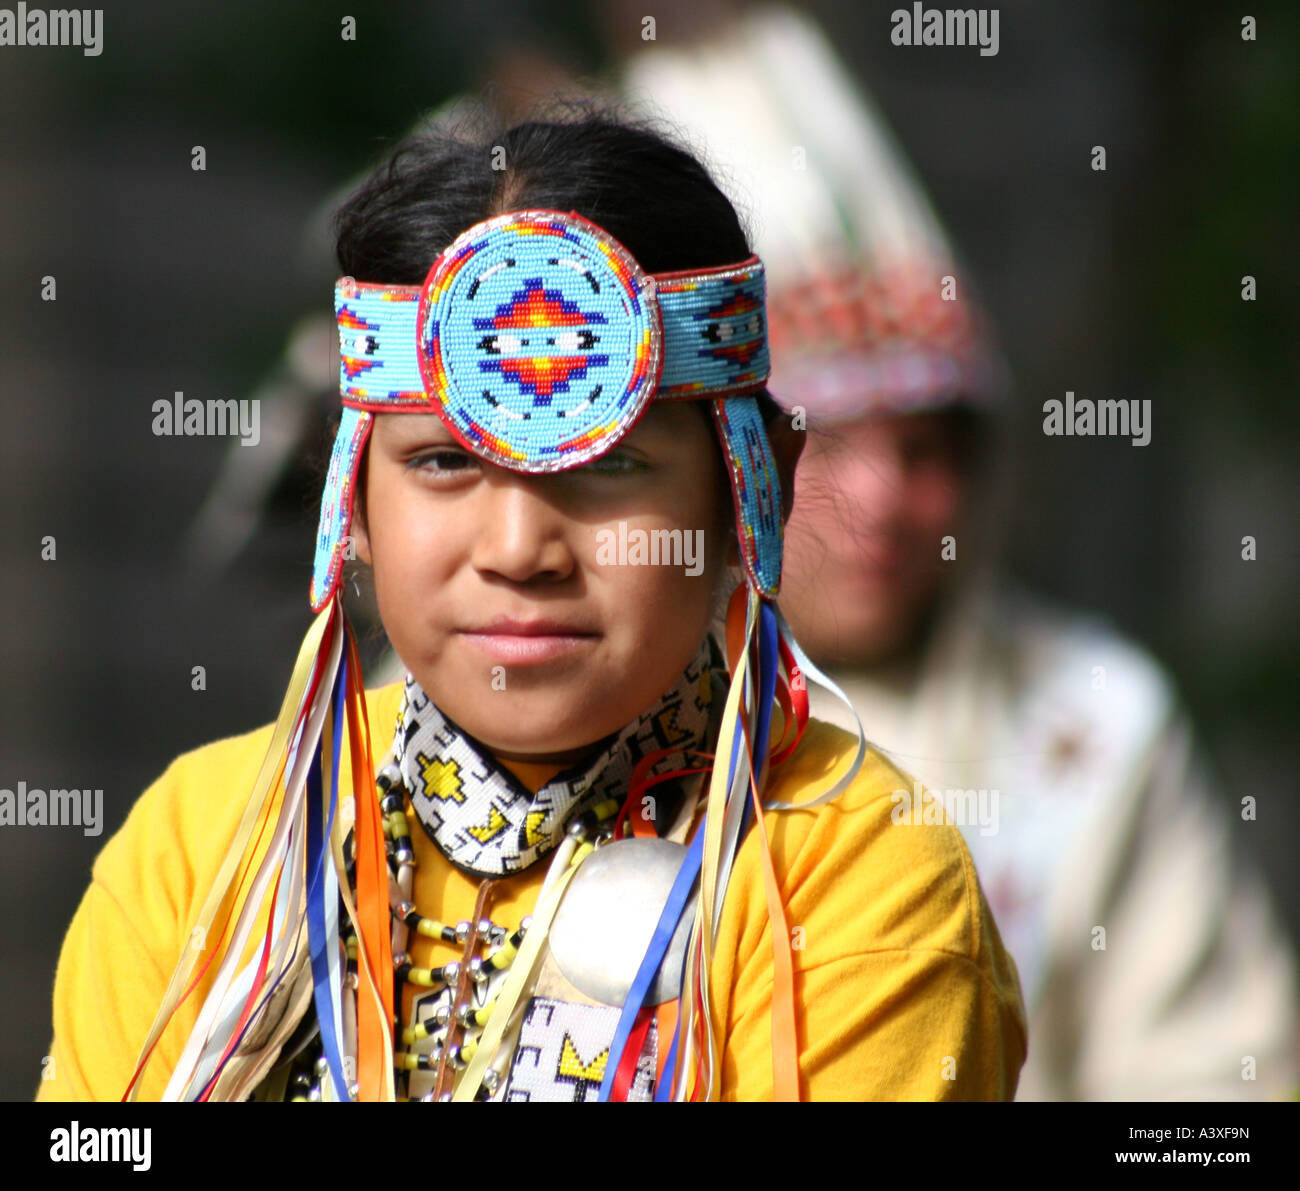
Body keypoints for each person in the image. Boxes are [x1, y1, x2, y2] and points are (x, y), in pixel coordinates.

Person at [35, 103, 1027, 1103]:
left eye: (611, 465)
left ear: (749, 488)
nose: (519, 550)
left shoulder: (853, 881)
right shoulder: (203, 849)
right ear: (353, 498)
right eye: (439, 463)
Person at [619, 4, 1299, 1100]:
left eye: (929, 446)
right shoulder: (569, 703)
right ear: (735, 464)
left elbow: (1217, 1095)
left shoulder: (1092, 724)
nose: (885, 498)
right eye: (830, 439)